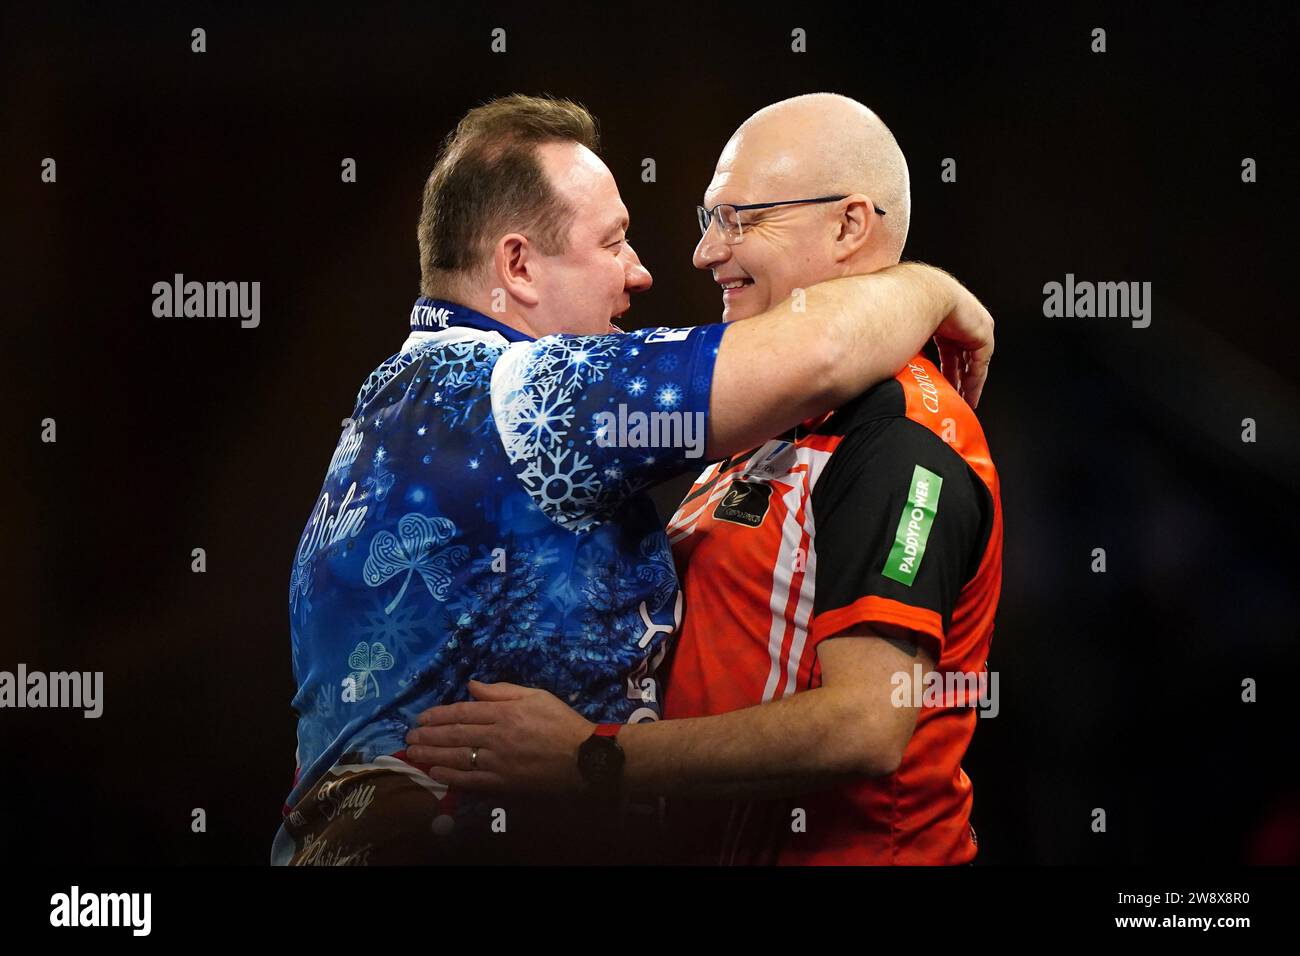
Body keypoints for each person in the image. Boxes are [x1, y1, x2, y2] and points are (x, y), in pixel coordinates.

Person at [275, 94, 994, 865]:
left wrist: (597, 755)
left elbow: (866, 725)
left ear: (850, 223)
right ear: (517, 265)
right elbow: (820, 351)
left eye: (740, 219)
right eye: (613, 242)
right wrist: (940, 291)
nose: (658, 269)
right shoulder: (527, 397)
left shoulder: (400, 394)